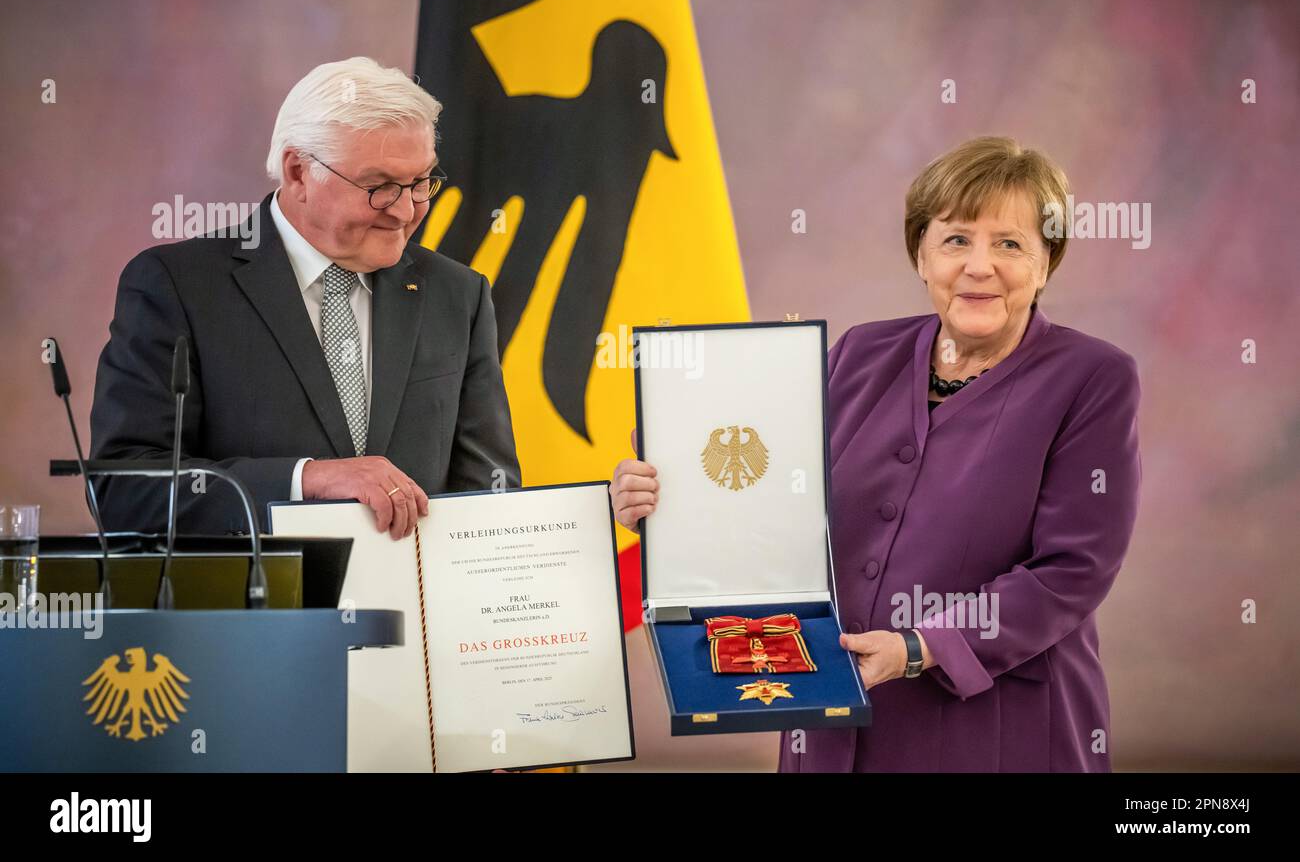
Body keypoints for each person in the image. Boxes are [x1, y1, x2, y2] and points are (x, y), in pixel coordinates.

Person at [610, 136, 1141, 771]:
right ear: (921, 253)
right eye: (955, 240)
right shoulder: (862, 354)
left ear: (1046, 260)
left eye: (1009, 243)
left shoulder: (1094, 377)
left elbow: (1071, 572)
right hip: (829, 706)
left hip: (995, 722)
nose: (979, 265)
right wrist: (662, 499)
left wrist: (920, 647)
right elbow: (761, 488)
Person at [90, 57, 520, 540]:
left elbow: (489, 495)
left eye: (420, 183)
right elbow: (123, 487)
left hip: (414, 612)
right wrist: (305, 479)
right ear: (298, 173)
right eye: (379, 187)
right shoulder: (177, 286)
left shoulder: (458, 295)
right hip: (251, 612)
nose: (404, 211)